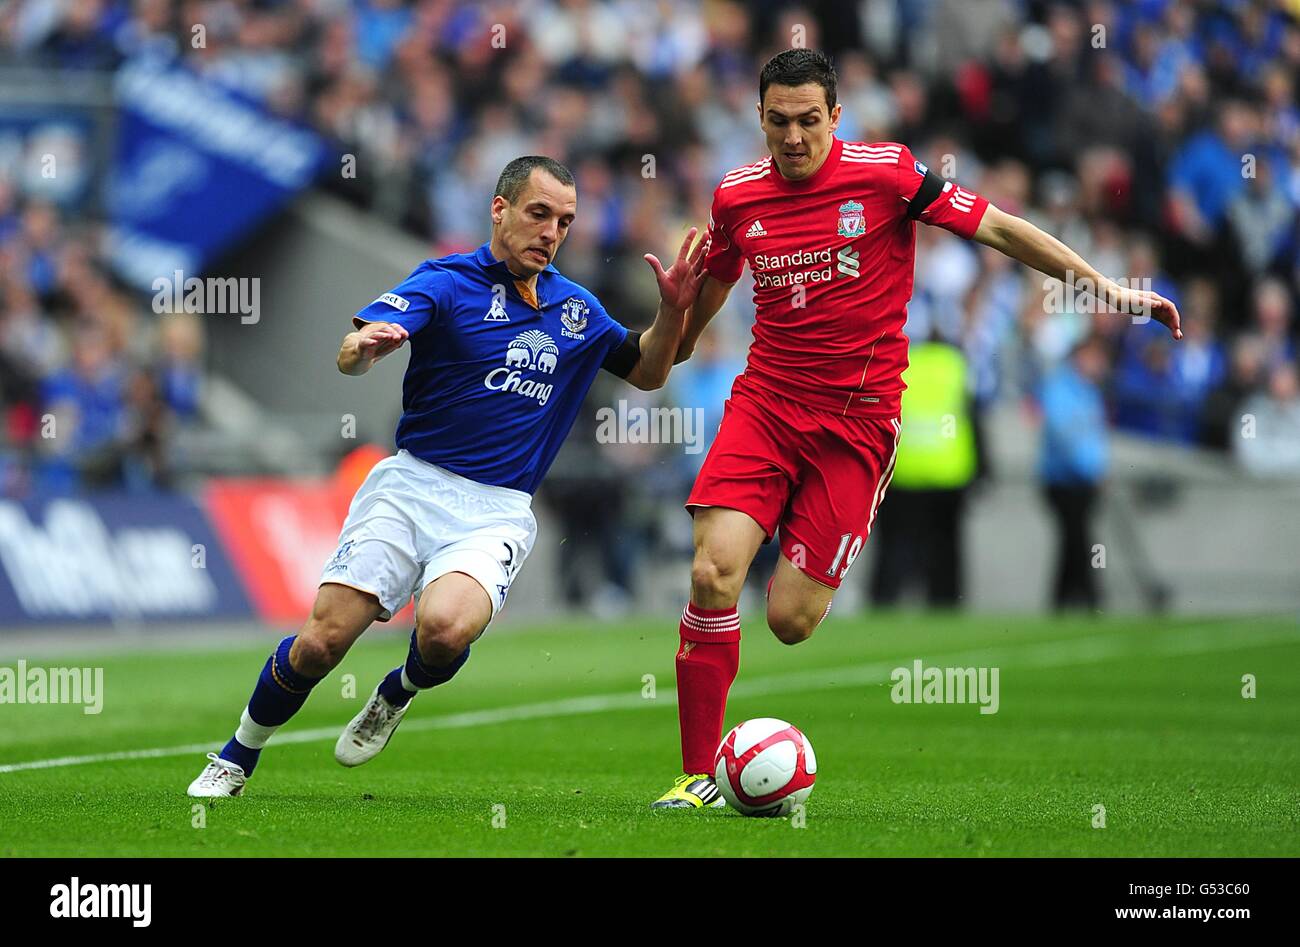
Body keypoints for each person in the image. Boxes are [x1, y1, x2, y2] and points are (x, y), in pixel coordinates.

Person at [652, 49, 1181, 809]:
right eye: (778, 122)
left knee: (791, 621)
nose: (794, 138)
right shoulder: (737, 196)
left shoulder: (888, 174)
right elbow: (713, 287)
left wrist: (1102, 287)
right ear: (758, 119)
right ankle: (697, 774)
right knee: (712, 572)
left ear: (836, 116)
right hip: (765, 404)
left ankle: (783, 569)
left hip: (856, 426)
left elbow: (998, 227)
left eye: (809, 121)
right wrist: (676, 329)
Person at [187, 155, 707, 797]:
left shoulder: (578, 311)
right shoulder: (446, 280)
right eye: (538, 214)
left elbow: (651, 371)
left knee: (444, 629)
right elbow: (352, 352)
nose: (550, 232)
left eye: (564, 223)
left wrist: (675, 313)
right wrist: (366, 347)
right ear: (500, 209)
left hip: (494, 510)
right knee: (321, 643)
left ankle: (397, 691)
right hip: (410, 488)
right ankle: (237, 755)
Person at [1038, 335, 1111, 611]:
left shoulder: (1088, 391)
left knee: (1073, 541)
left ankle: (1063, 600)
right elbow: (1066, 437)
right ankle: (1089, 598)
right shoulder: (1062, 388)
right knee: (1077, 539)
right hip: (1064, 481)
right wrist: (1093, 470)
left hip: (1082, 481)